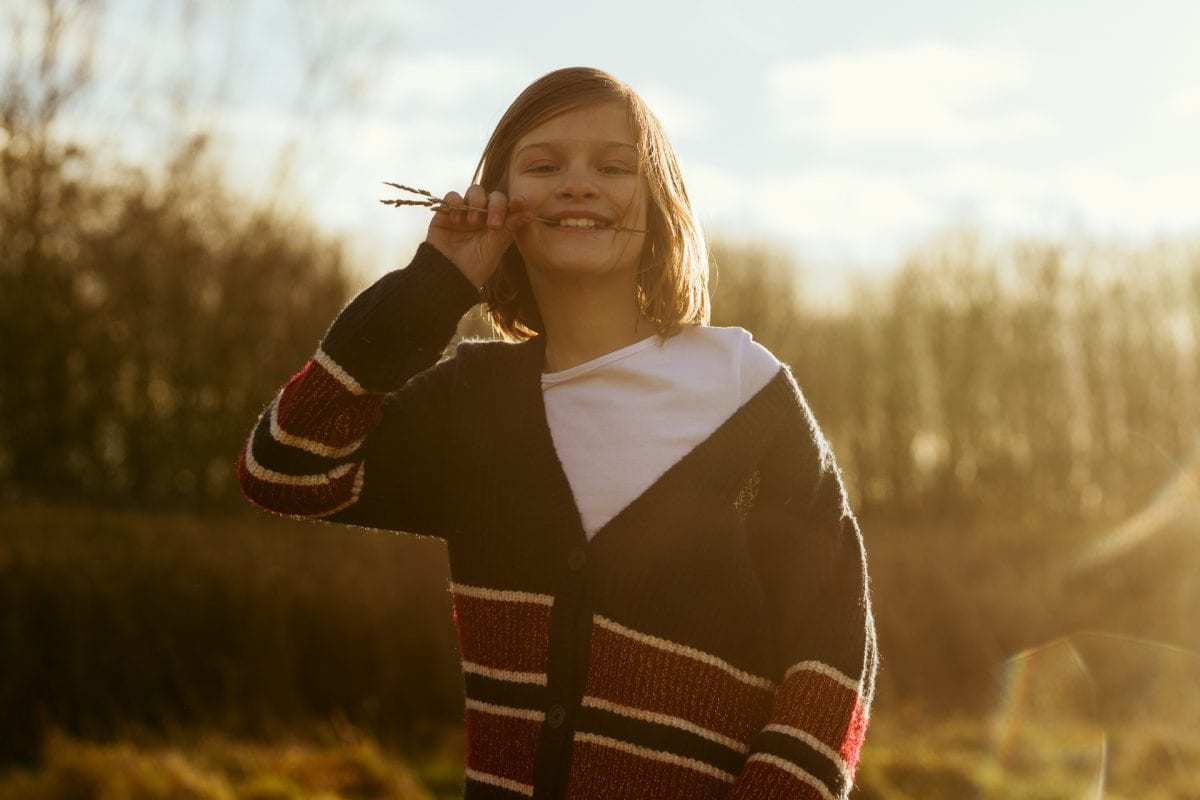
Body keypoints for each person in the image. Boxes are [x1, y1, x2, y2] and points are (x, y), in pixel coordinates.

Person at [238, 66, 876, 800]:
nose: (580, 184)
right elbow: (284, 467)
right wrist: (432, 289)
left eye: (614, 166)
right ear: (501, 203)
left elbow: (834, 644)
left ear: (660, 204)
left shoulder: (745, 391)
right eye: (545, 166)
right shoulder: (472, 405)